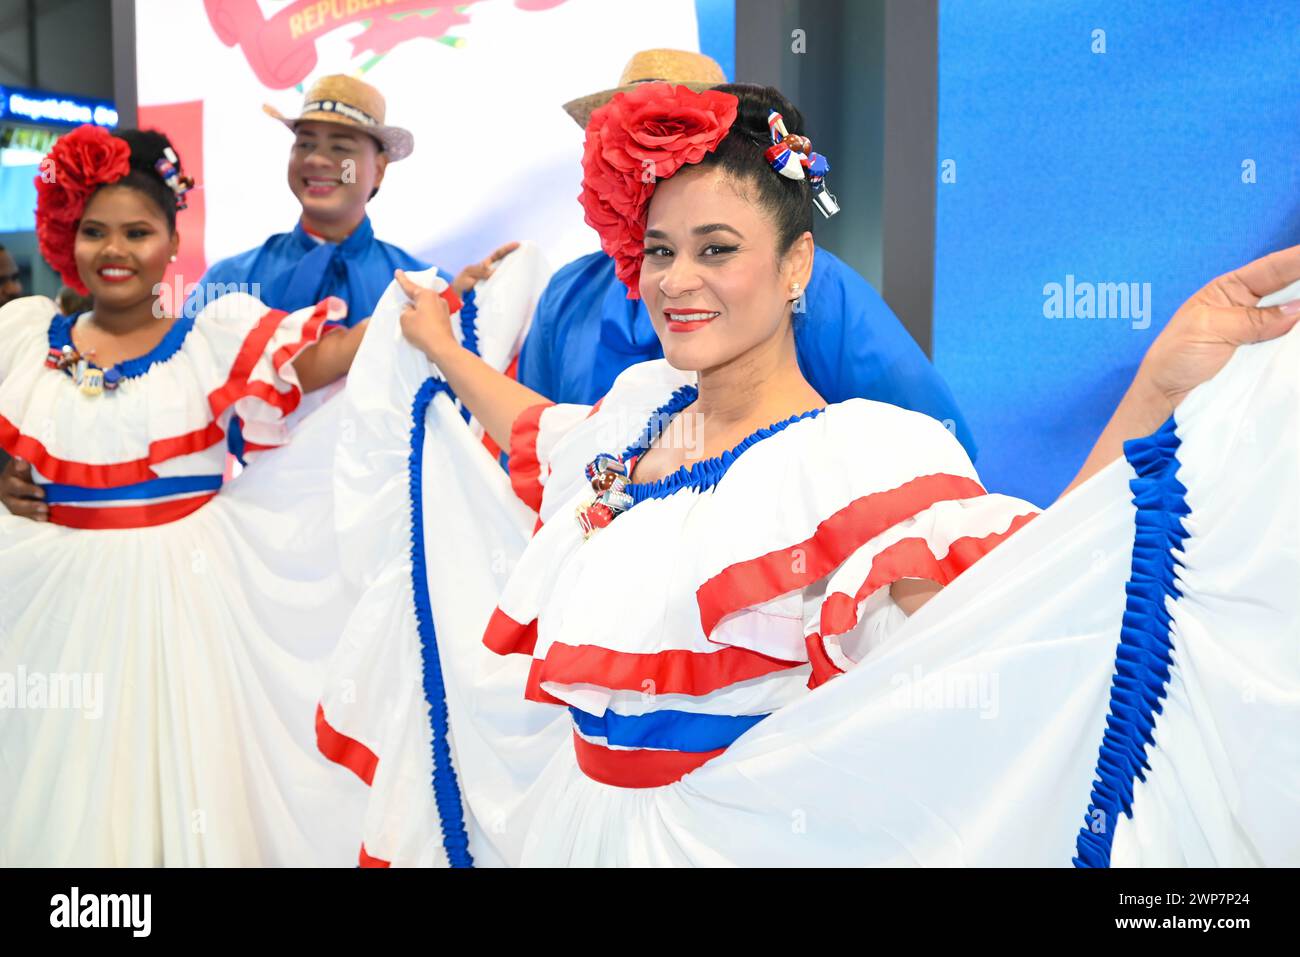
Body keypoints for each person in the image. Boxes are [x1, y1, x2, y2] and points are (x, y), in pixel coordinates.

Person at [318, 82, 1299, 866]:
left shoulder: (858, 456)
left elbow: (1023, 615)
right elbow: (536, 434)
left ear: (796, 268)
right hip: (574, 835)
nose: (676, 280)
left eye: (717, 250)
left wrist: (1157, 383)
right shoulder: (636, 417)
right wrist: (442, 350)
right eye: (659, 250)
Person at [0, 124, 387, 864]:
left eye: (138, 232)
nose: (114, 251)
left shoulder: (210, 339)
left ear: (173, 243)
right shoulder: (23, 339)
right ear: (67, 236)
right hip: (55, 610)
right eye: (94, 232)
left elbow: (327, 358)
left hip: (187, 611)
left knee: (190, 778)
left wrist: (430, 308)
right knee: (68, 790)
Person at [518, 54, 977, 457]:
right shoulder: (567, 293)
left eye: (716, 249)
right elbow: (539, 446)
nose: (676, 282)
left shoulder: (815, 287)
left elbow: (932, 443)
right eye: (632, 144)